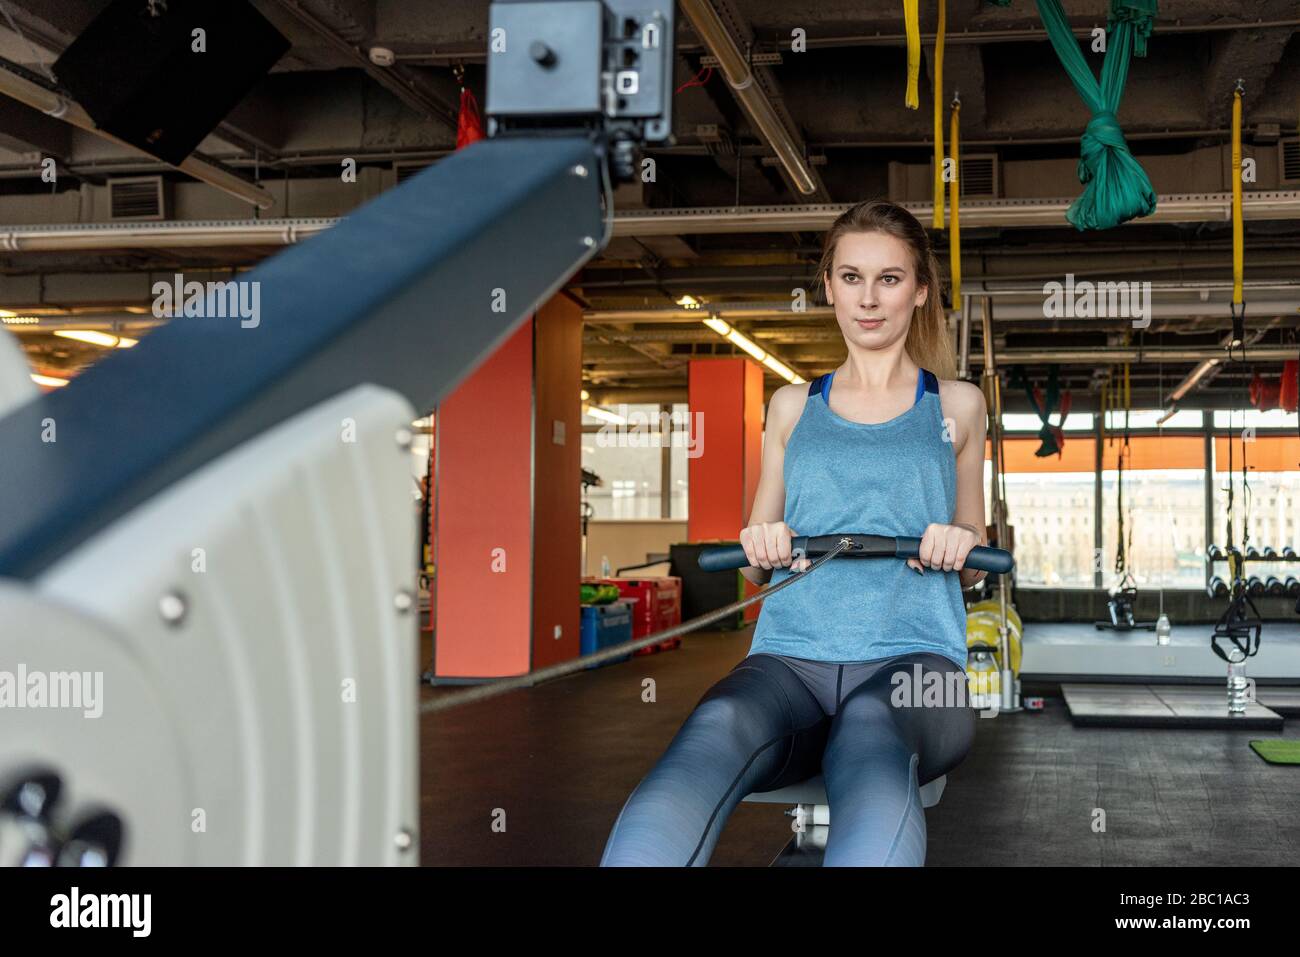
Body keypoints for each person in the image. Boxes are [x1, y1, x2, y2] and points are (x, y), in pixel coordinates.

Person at [599, 199, 989, 866]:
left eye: (890, 278)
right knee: (718, 722)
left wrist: (960, 543)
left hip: (918, 663)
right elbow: (756, 559)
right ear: (829, 286)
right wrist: (761, 542)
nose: (869, 298)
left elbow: (976, 556)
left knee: (869, 727)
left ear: (920, 290)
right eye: (852, 277)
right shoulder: (789, 407)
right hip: (790, 658)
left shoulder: (957, 405)